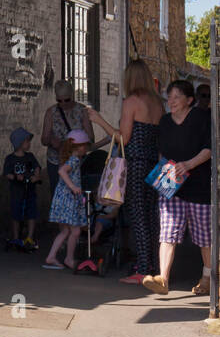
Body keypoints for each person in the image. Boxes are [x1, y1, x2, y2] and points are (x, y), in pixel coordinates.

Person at [88, 59, 164, 284]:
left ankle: (142, 269)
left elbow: (123, 138)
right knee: (152, 217)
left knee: (138, 216)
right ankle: (154, 264)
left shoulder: (131, 101)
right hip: (154, 164)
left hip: (136, 163)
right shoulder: (158, 103)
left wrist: (99, 120)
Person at [142, 80, 212, 296]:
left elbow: (209, 148)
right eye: (169, 96)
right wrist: (165, 177)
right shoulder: (164, 121)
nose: (170, 101)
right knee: (167, 232)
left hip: (199, 186)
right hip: (172, 184)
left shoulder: (201, 118)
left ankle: (208, 277)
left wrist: (188, 165)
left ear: (189, 100)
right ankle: (163, 278)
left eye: (176, 97)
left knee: (204, 236)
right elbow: (162, 152)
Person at [43, 129, 91, 270]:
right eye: (85, 146)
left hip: (63, 199)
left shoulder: (70, 157)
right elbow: (62, 171)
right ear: (79, 147)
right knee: (75, 232)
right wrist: (73, 187)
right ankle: (69, 258)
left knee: (65, 231)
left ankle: (51, 256)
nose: (86, 149)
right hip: (69, 199)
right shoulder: (74, 159)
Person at [40, 80, 95, 199]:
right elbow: (44, 139)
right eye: (59, 100)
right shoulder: (51, 112)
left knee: (78, 196)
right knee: (58, 195)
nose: (63, 103)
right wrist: (51, 140)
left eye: (66, 100)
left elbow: (91, 138)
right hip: (56, 161)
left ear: (72, 96)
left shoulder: (82, 111)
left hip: (77, 162)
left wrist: (74, 143)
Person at [2, 126, 40, 252]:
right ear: (19, 143)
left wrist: (36, 176)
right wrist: (14, 176)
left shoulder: (30, 157)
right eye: (26, 141)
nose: (29, 144)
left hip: (29, 190)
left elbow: (36, 167)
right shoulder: (10, 159)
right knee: (16, 213)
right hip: (17, 191)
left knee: (31, 212)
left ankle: (30, 237)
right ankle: (16, 237)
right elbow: (6, 172)